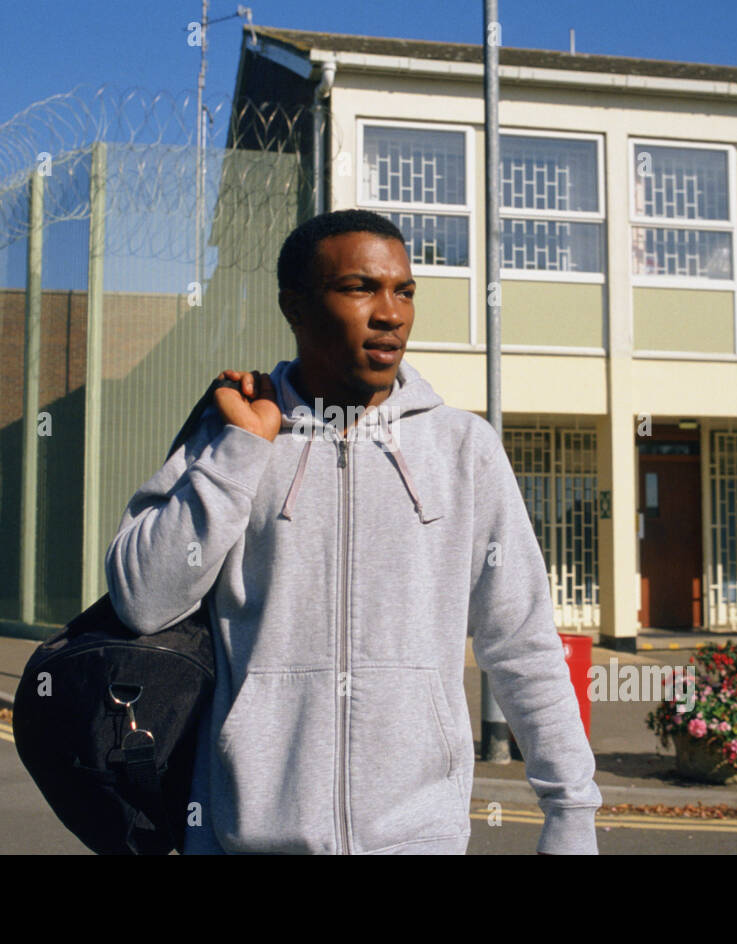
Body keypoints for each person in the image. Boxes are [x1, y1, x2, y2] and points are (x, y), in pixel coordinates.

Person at [105, 208, 601, 854]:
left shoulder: (462, 449)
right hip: (245, 836)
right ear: (296, 308)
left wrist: (570, 811)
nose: (391, 312)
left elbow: (522, 640)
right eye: (360, 288)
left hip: (417, 839)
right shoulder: (232, 436)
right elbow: (143, 600)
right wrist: (243, 450)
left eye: (405, 290)